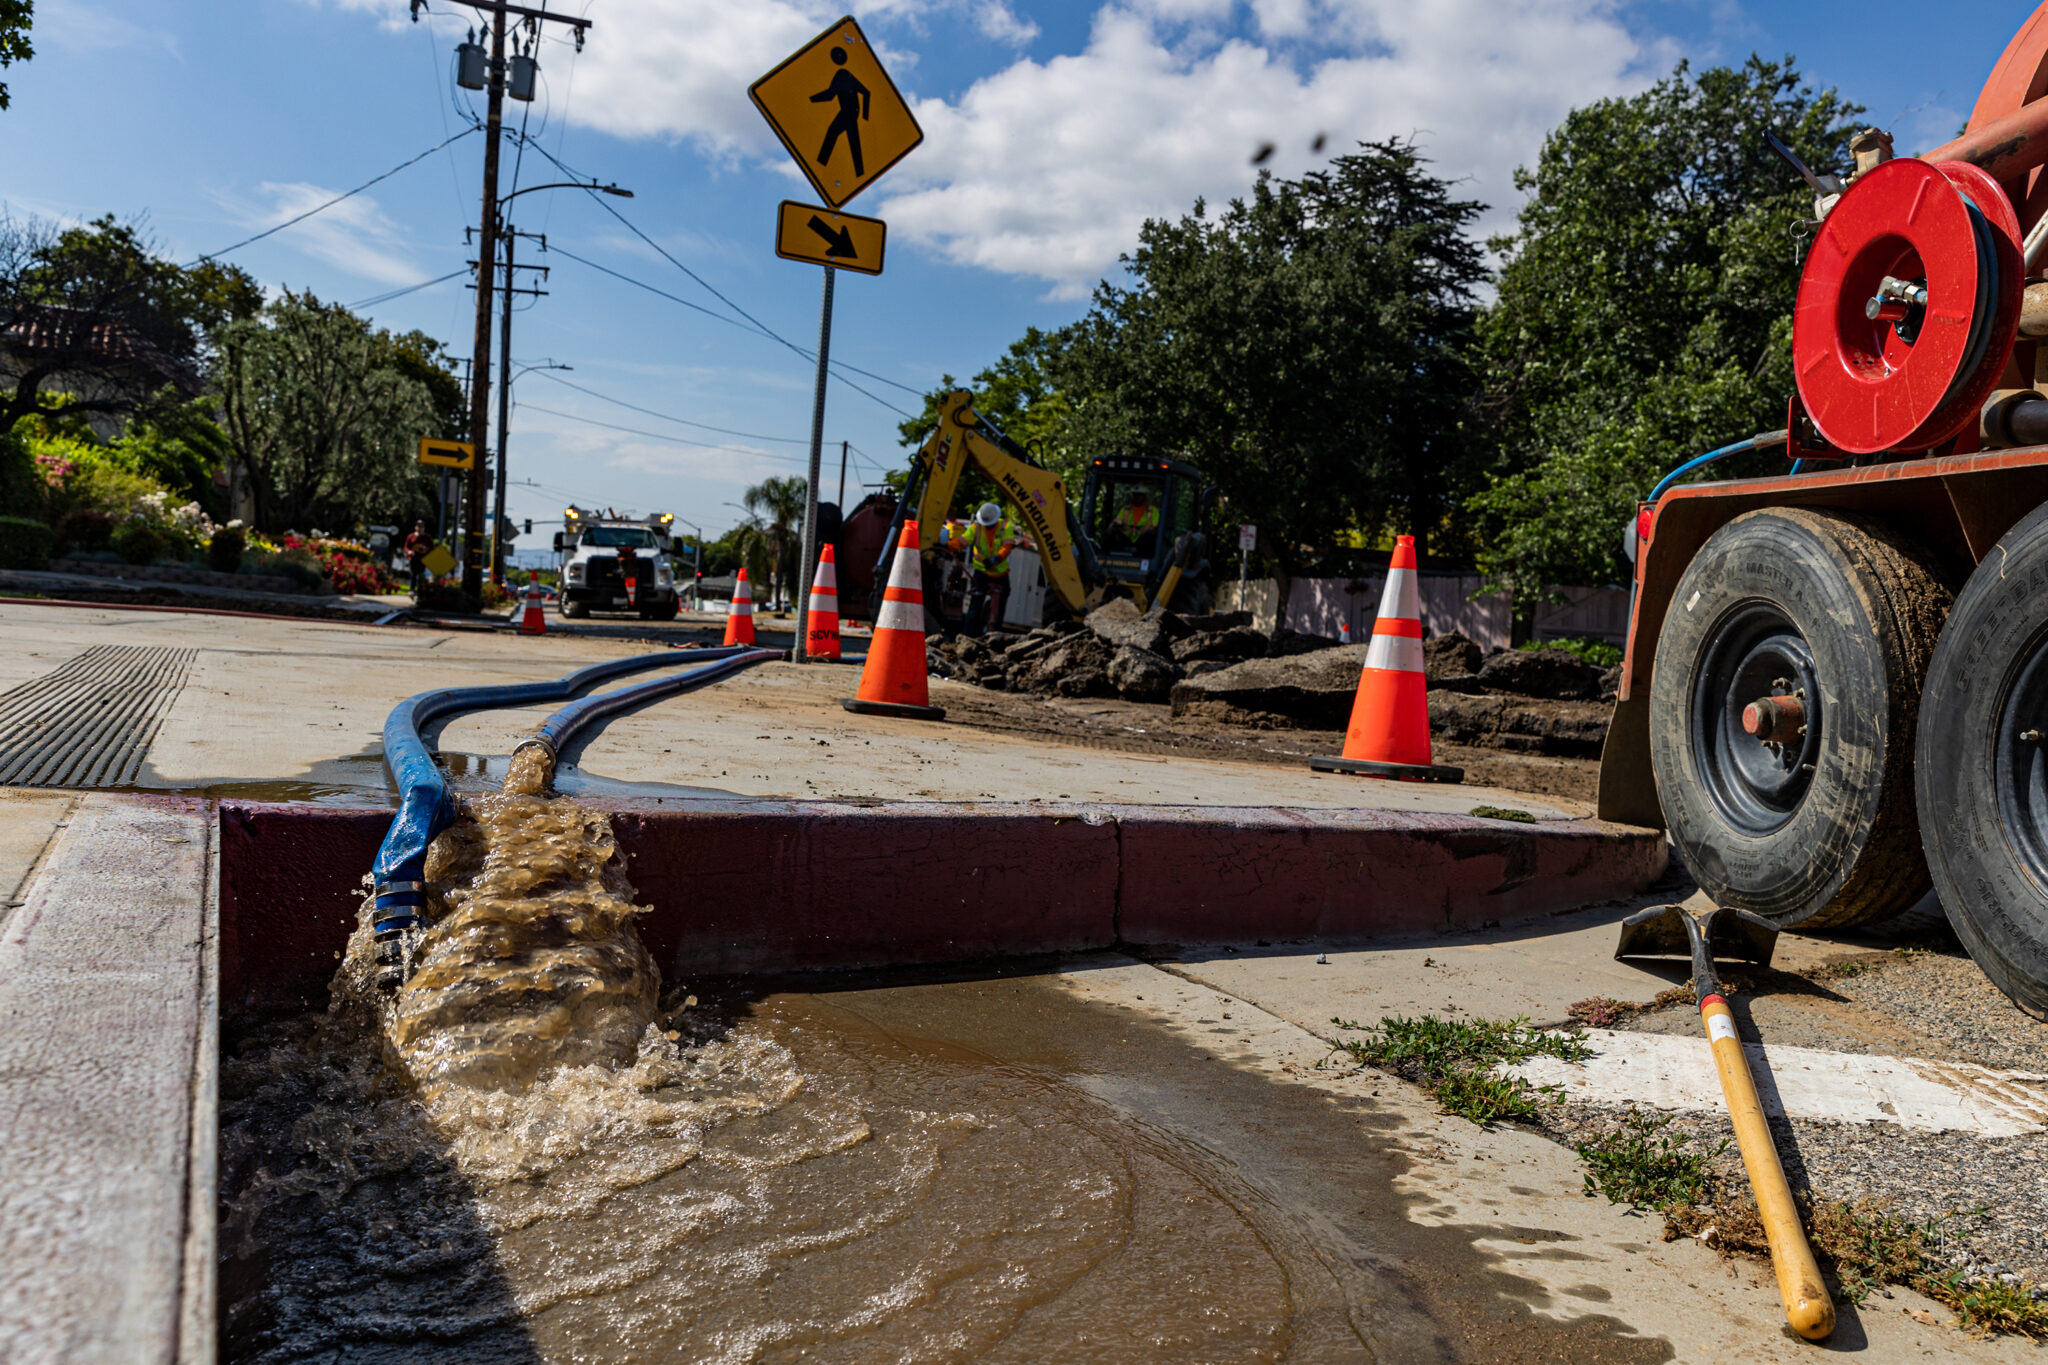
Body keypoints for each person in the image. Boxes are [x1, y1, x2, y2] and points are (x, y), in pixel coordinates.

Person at [810, 45, 870, 177]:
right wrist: (862, 114)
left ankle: (821, 165)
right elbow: (866, 93)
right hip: (852, 112)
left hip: (849, 112)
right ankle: (859, 172)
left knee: (832, 133)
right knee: (853, 142)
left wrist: (810, 99)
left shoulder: (842, 75)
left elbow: (830, 95)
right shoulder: (845, 74)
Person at [964, 502, 1019, 635]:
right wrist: (949, 546)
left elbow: (1007, 546)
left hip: (1000, 573)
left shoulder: (1005, 527)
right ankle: (970, 635)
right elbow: (963, 540)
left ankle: (994, 634)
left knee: (998, 607)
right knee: (975, 605)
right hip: (982, 572)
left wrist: (997, 558)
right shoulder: (976, 527)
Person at [1108, 487, 1160, 555]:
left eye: (1139, 495)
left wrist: (1147, 532)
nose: (1137, 497)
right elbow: (1117, 521)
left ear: (1144, 496)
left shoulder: (1153, 510)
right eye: (1135, 494)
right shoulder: (1125, 509)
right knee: (1111, 533)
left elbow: (1155, 527)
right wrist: (1114, 526)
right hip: (1126, 540)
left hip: (1143, 542)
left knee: (1149, 537)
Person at [403, 520, 431, 597]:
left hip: (423, 559)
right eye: (418, 526)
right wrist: (409, 551)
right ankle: (412, 590)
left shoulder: (427, 537)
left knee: (421, 575)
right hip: (413, 558)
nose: (420, 528)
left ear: (424, 528)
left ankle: (420, 591)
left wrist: (425, 549)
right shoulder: (411, 536)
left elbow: (431, 548)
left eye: (421, 526)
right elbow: (406, 546)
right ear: (415, 527)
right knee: (413, 574)